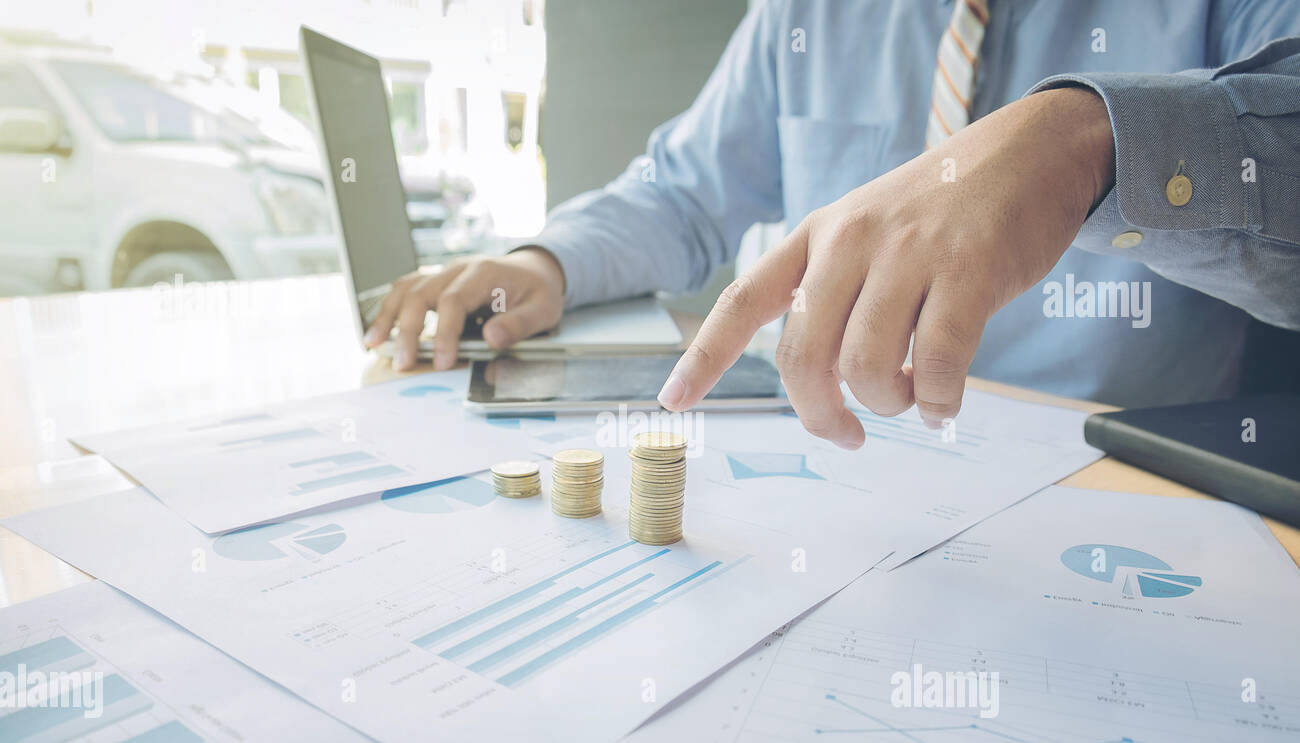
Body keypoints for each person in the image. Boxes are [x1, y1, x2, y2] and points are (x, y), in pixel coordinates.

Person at [369, 0, 1300, 450]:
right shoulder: (805, 14)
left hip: (1115, 466)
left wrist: (1088, 140)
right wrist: (549, 260)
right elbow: (682, 191)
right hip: (830, 447)